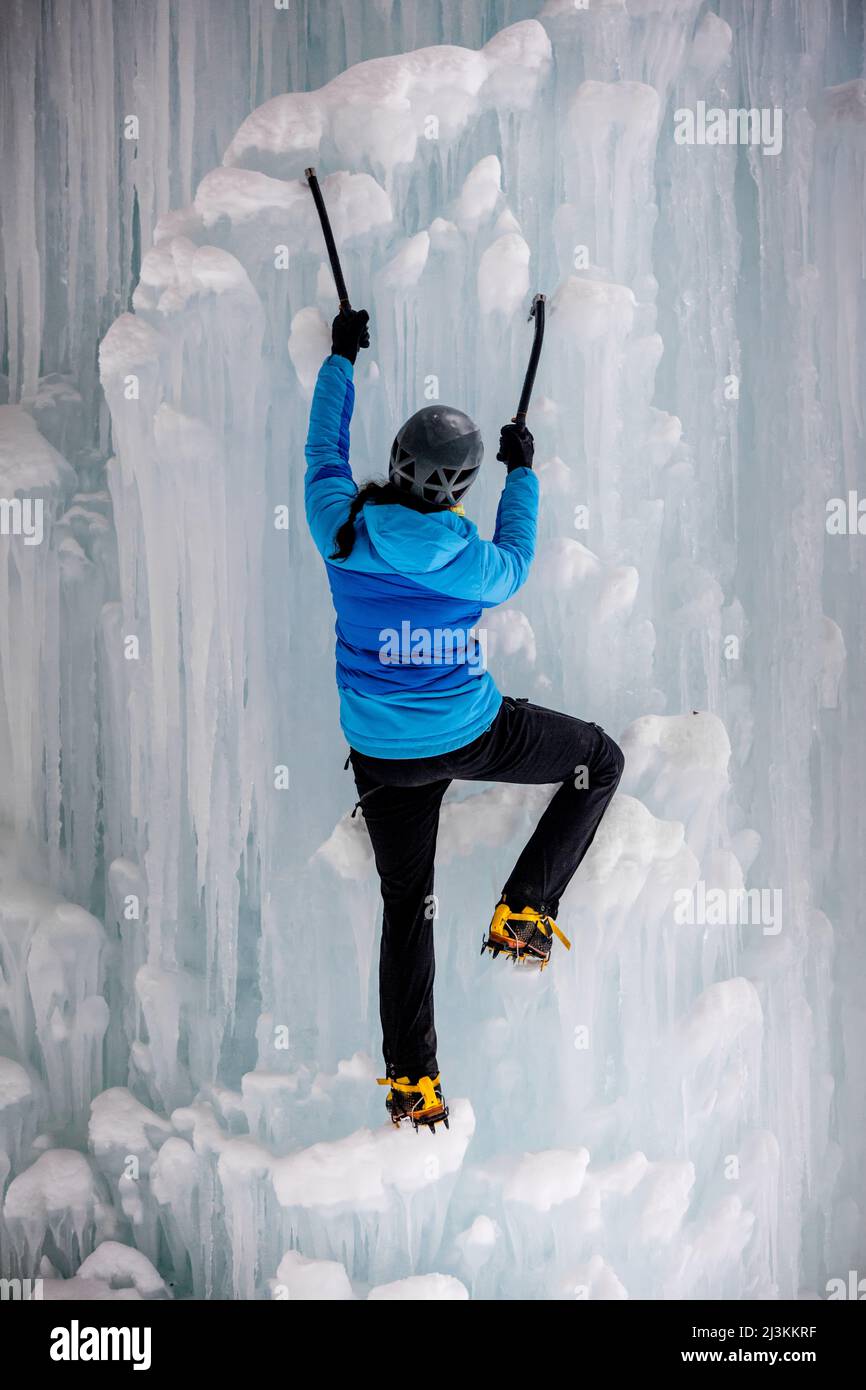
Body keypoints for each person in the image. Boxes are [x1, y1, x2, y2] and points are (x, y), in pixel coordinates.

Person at [305, 307, 624, 1131]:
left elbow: (321, 453)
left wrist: (341, 357)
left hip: (379, 750)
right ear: (459, 489)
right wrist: (524, 471)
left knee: (406, 902)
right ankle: (526, 909)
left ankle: (414, 1083)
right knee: (598, 760)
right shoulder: (472, 564)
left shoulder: (338, 528)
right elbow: (517, 558)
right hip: (470, 734)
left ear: (398, 464)